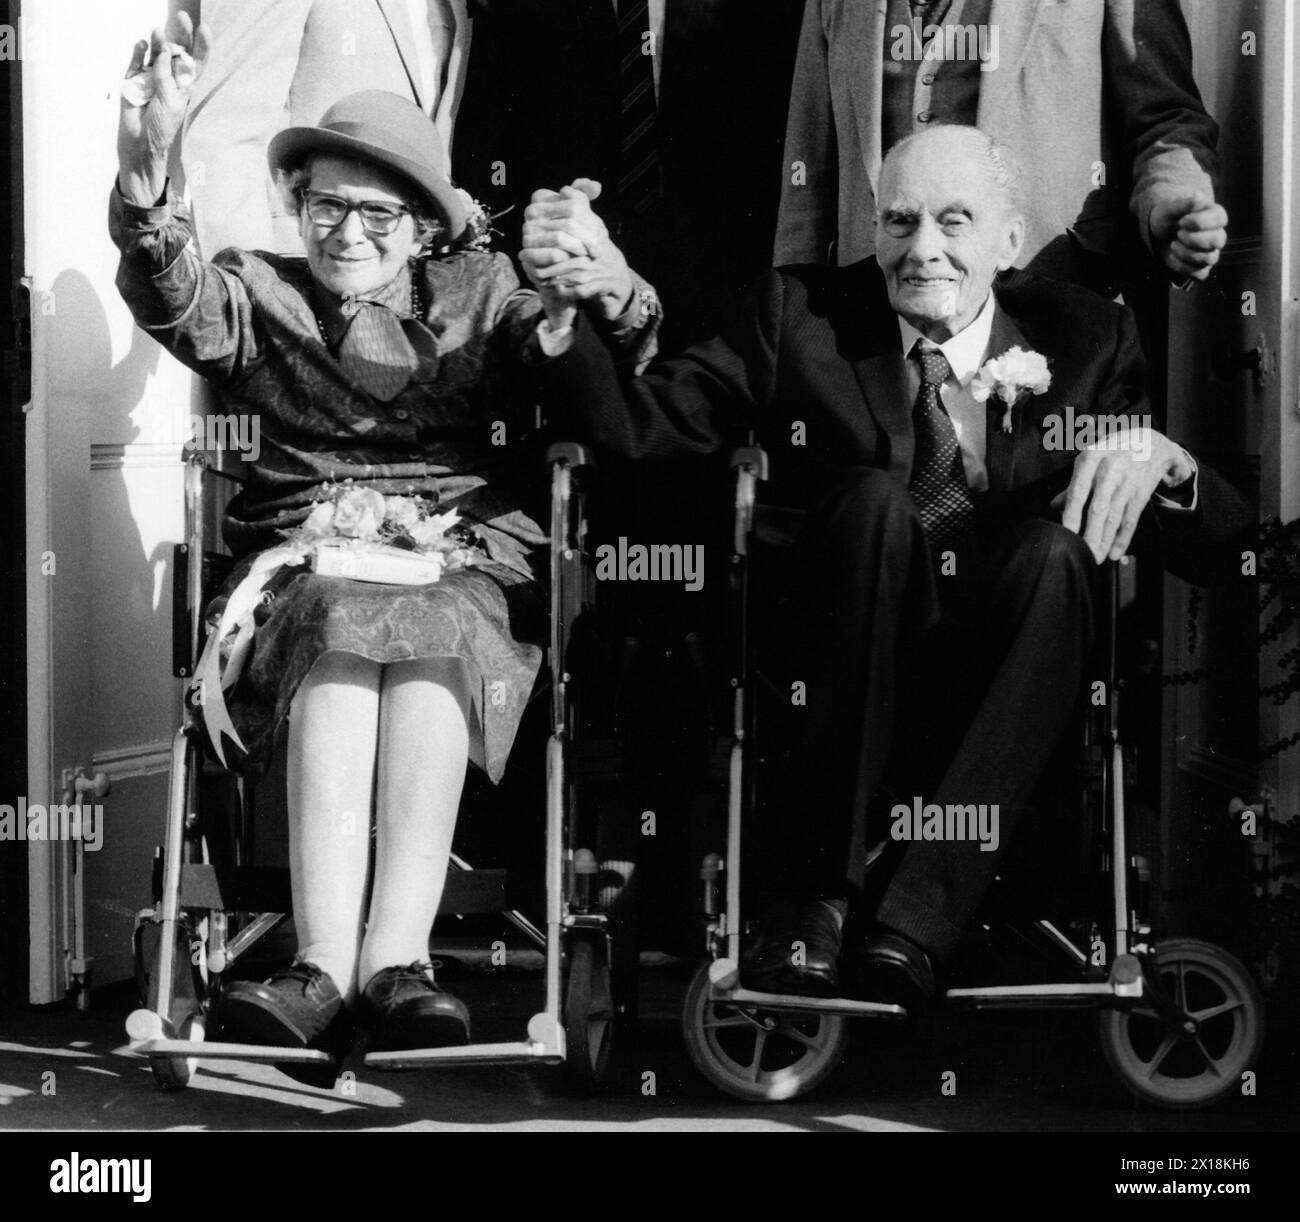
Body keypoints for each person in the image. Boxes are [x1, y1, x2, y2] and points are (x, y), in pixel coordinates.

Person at [521, 123, 1253, 1009]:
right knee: (871, 501)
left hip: (1007, 693)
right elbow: (644, 429)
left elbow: (1227, 551)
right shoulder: (801, 316)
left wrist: (1161, 464)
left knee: (1055, 552)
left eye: (955, 221)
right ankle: (814, 903)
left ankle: (911, 925)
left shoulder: (1089, 337)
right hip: (836, 672)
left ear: (1012, 242)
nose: (924, 250)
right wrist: (565, 319)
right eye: (900, 221)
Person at [112, 19, 653, 1075]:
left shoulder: (482, 291)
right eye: (324, 205)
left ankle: (396, 962)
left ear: (423, 227)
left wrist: (601, 284)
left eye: (376, 213)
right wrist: (146, 175)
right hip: (303, 567)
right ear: (297, 205)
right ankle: (322, 967)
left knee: (435, 625)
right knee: (338, 614)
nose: (346, 232)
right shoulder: (261, 293)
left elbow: (605, 350)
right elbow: (173, 291)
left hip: (462, 560)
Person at [773, 0, 1229, 296]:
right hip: (876, 307)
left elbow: (1165, 116)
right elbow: (808, 159)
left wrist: (1167, 205)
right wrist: (792, 307)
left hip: (1050, 292)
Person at [179, 0, 475, 257]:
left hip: (404, 290)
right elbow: (224, 136)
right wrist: (254, 295)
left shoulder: (457, 6)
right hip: (298, 276)